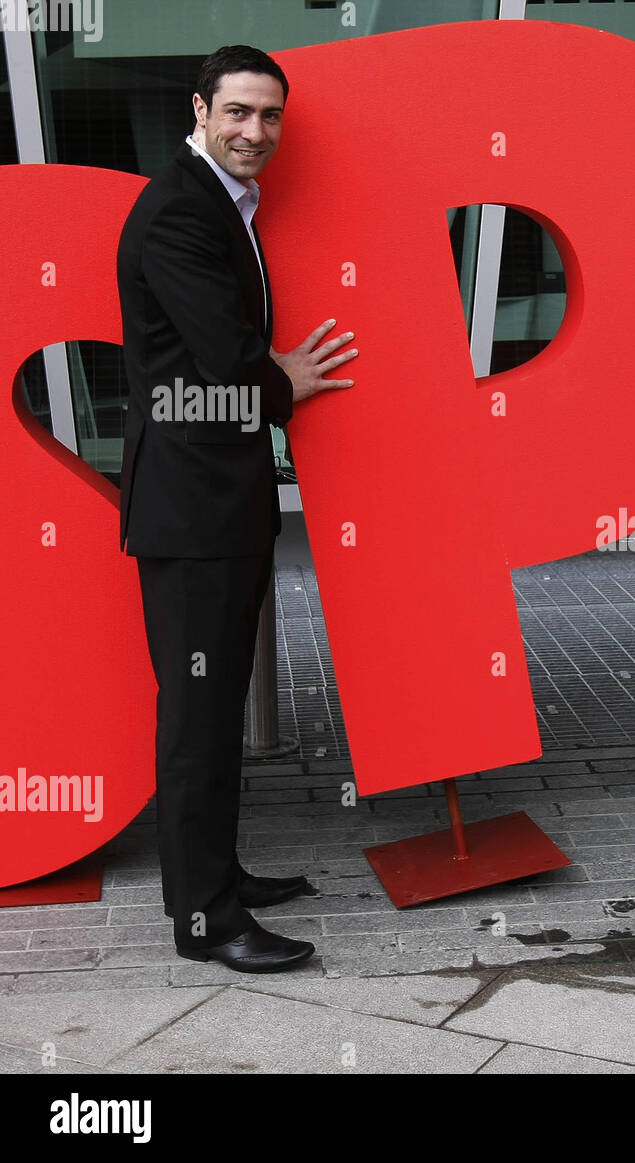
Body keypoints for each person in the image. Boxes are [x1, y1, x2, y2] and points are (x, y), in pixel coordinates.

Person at [117, 44, 358, 973]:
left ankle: (218, 874)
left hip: (219, 497)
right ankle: (204, 921)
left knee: (214, 708)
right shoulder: (180, 207)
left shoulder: (220, 199)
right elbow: (224, 357)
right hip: (191, 509)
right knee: (196, 716)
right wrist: (283, 380)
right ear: (200, 110)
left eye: (269, 117)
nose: (254, 131)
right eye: (239, 114)